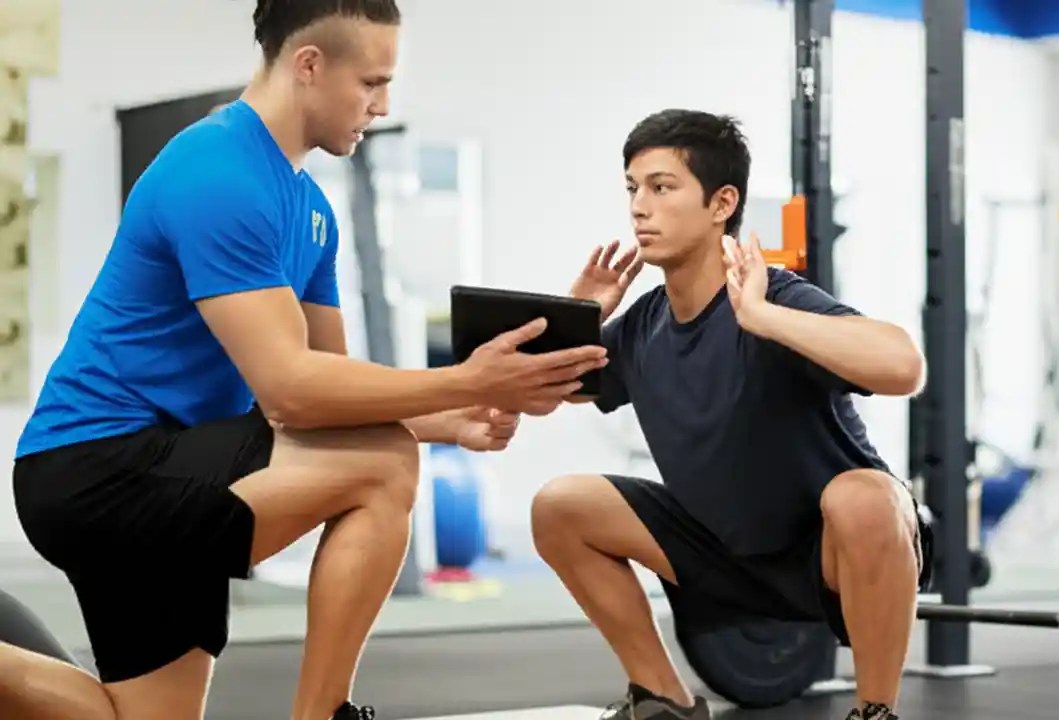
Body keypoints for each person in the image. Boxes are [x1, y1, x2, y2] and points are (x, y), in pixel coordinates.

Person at [2, 2, 606, 720]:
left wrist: (463, 415)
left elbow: (336, 399)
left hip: (170, 465)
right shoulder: (215, 170)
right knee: (384, 464)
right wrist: (467, 378)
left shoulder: (310, 210)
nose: (382, 107)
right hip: (98, 465)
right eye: (372, 83)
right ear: (310, 65)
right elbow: (293, 394)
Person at [531, 109, 930, 720]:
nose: (640, 207)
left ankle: (875, 711)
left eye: (662, 188)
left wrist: (765, 319)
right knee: (561, 507)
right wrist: (577, 315)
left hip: (827, 556)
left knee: (866, 496)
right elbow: (536, 390)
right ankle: (663, 699)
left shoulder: (776, 298)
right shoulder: (644, 326)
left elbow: (905, 366)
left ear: (722, 203)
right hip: (719, 549)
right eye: (633, 189)